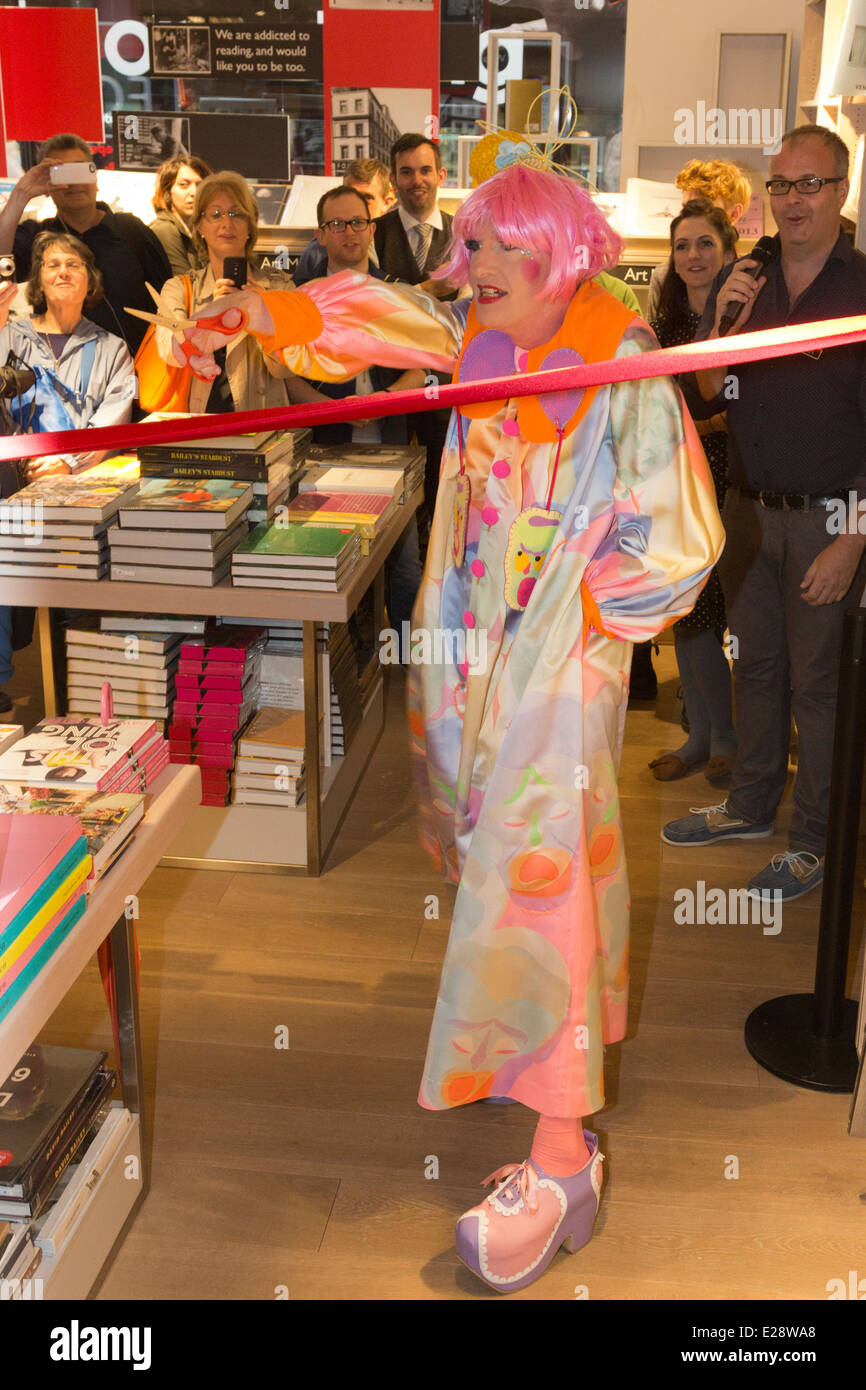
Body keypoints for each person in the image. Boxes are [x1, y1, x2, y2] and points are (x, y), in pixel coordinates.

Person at [175, 156, 724, 1293]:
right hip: (469, 650)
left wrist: (583, 605)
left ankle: (561, 1156)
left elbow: (681, 532)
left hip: (555, 671)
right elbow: (393, 320)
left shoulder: (620, 358)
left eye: (493, 246)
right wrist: (266, 313)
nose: (469, 264)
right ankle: (534, 1094)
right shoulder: (485, 335)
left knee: (539, 880)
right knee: (495, 863)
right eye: (468, 244)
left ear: (553, 254)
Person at [663, 126, 866, 903]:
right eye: (780, 185)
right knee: (756, 669)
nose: (792, 199)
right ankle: (749, 807)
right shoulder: (749, 279)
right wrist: (723, 321)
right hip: (748, 513)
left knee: (818, 689)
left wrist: (852, 540)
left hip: (828, 522)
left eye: (809, 184)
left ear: (841, 190)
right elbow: (708, 390)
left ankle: (812, 843)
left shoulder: (861, 287)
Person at [0, 233, 136, 711]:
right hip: (12, 491)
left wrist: (70, 461)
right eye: (52, 264)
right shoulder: (9, 336)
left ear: (90, 278)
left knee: (79, 598)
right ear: (37, 280)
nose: (63, 272)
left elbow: (113, 419)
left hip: (79, 496)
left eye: (74, 264)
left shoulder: (111, 348)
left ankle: (85, 695)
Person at [296, 183, 425, 631]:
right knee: (332, 566)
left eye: (357, 222)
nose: (349, 232)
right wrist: (333, 410)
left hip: (391, 449)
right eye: (337, 224)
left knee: (405, 567)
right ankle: (346, 662)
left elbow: (421, 368)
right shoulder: (301, 298)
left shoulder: (398, 292)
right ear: (320, 234)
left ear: (372, 229)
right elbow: (287, 380)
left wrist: (385, 400)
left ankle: (409, 662)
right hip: (324, 452)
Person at [648, 198, 738, 786]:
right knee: (688, 610)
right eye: (682, 245)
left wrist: (704, 427)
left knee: (735, 615)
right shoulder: (662, 329)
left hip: (739, 480)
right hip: (678, 480)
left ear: (729, 252)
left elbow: (751, 410)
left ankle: (730, 740)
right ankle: (702, 737)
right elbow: (651, 409)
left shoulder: (749, 320)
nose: (693, 255)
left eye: (706, 243)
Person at [152, 170, 325, 414]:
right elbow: (168, 348)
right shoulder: (179, 288)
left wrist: (264, 312)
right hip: (202, 425)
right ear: (200, 226)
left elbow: (286, 370)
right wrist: (210, 317)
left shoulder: (281, 288)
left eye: (236, 214)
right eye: (215, 214)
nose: (227, 223)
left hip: (264, 426)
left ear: (250, 226)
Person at [0, 133, 171, 356]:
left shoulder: (131, 230)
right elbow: (2, 266)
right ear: (49, 187)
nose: (74, 184)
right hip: (59, 370)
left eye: (81, 171)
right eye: (63, 174)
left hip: (139, 368)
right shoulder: (38, 237)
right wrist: (21, 195)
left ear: (95, 179)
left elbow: (167, 298)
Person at [375, 134, 455, 532]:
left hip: (448, 388)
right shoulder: (371, 233)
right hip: (388, 383)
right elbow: (373, 307)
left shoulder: (463, 234)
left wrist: (403, 296)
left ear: (441, 175)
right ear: (393, 180)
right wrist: (429, 292)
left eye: (425, 170)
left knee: (445, 489)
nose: (416, 180)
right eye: (406, 172)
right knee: (389, 496)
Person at [646, 159, 751, 320]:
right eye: (686, 208)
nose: (692, 217)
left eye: (704, 207)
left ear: (735, 214)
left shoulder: (751, 278)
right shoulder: (663, 277)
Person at [293, 157, 392, 283]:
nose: (356, 204)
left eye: (367, 198)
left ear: (386, 203)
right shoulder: (317, 252)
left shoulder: (398, 241)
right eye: (349, 195)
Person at [149, 156, 212, 275]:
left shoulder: (198, 231)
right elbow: (185, 282)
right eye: (184, 185)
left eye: (200, 185)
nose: (194, 192)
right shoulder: (165, 229)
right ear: (167, 191)